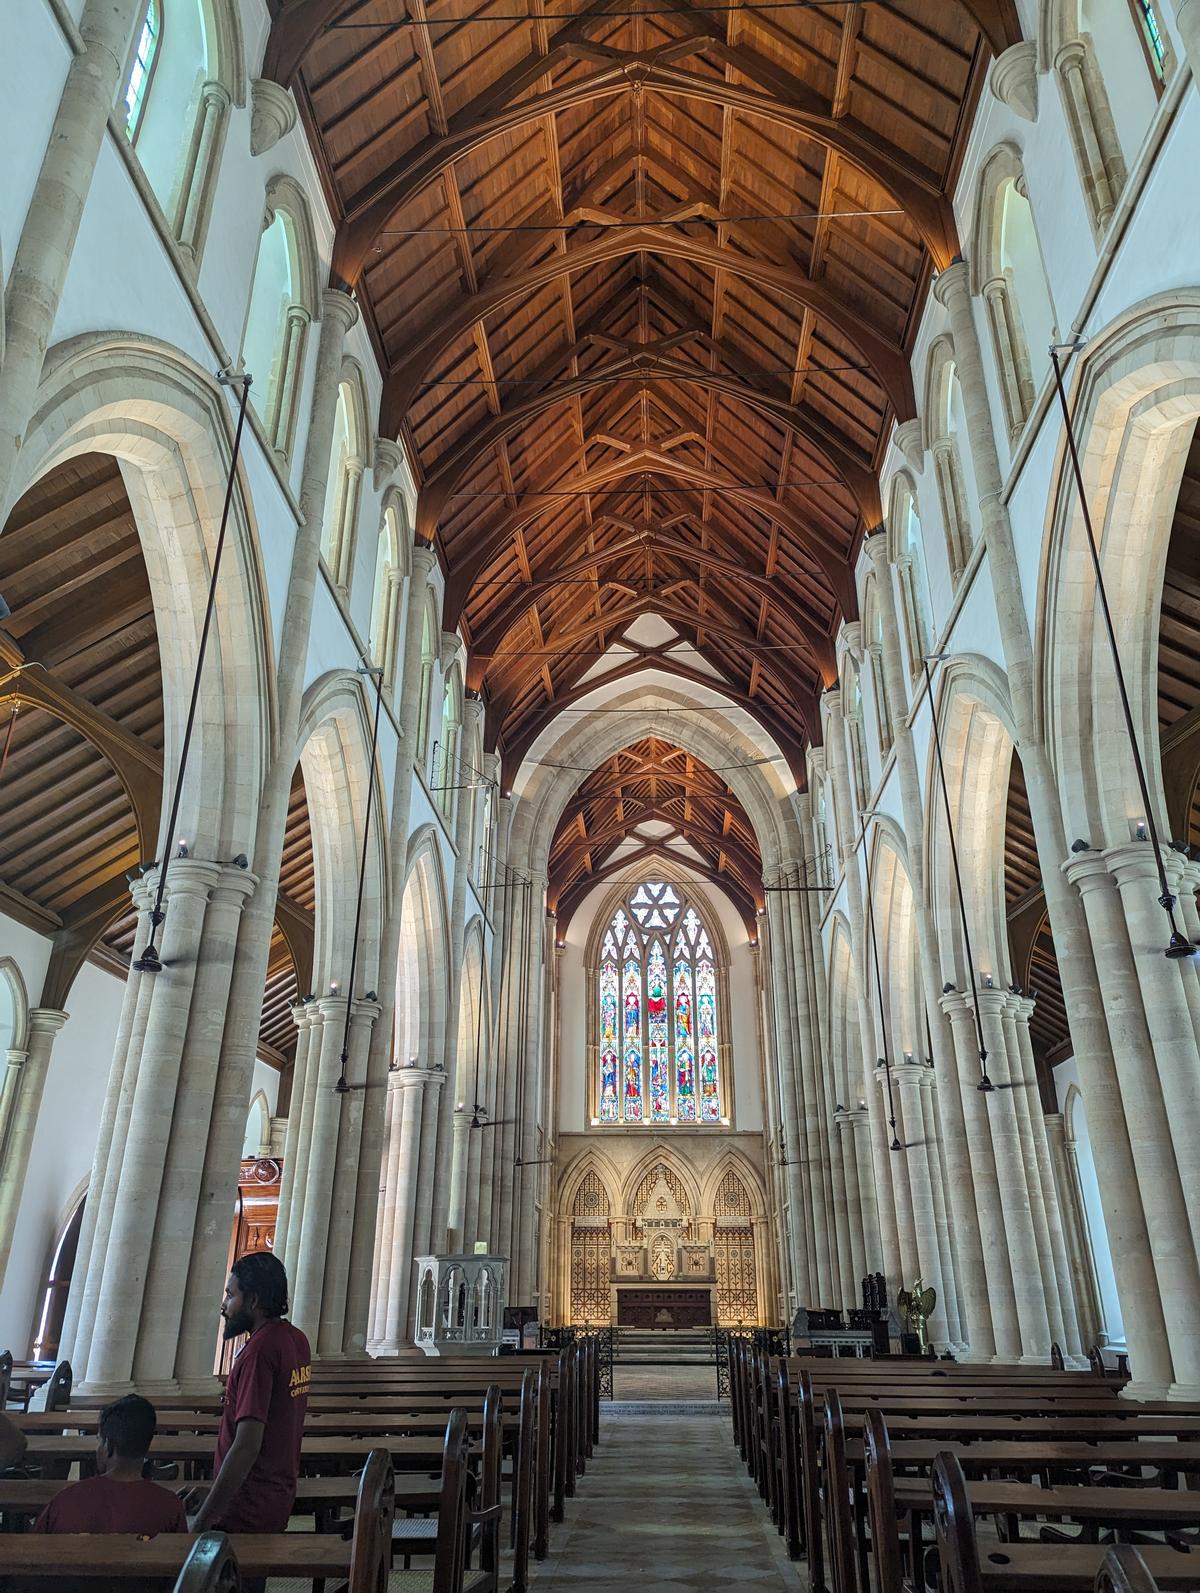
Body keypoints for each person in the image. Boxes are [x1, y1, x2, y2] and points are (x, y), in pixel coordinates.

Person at [188, 1250, 311, 1559]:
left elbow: (247, 1445)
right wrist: (213, 1490)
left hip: (246, 1506)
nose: (224, 1305)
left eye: (231, 1295)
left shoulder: (260, 1351)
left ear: (253, 1300)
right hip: (274, 1493)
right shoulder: (296, 1339)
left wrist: (204, 1517)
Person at [32, 1394, 186, 1534]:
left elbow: (35, 1546)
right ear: (147, 1444)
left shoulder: (65, 1501)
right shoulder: (169, 1506)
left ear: (109, 1445)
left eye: (100, 1440)